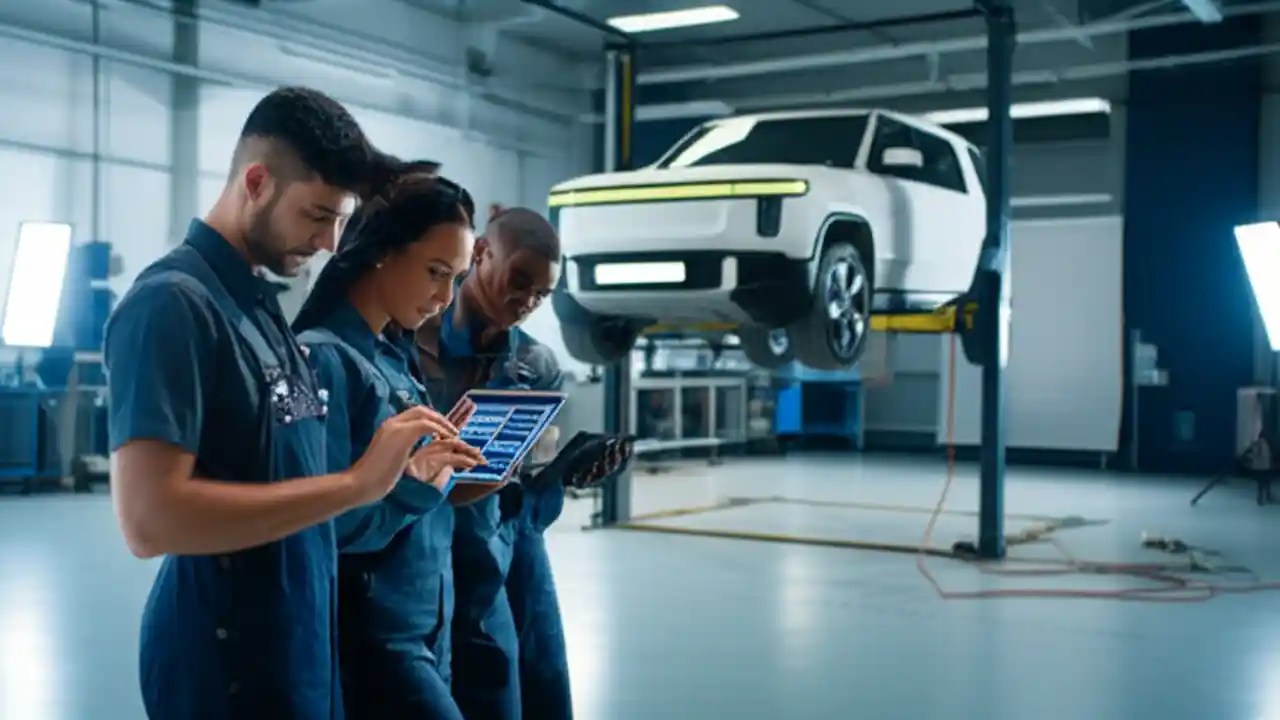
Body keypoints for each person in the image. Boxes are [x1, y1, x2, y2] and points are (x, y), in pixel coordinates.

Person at [104, 87, 452, 720]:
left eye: (340, 221)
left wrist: (400, 480)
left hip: (294, 656)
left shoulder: (261, 311)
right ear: (257, 182)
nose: (328, 243)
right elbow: (148, 520)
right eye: (317, 215)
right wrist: (354, 484)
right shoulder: (172, 306)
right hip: (224, 672)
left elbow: (287, 480)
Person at [292, 164, 486, 719]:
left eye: (457, 279)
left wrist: (440, 468)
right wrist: (411, 486)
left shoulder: (391, 357)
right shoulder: (325, 358)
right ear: (382, 250)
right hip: (375, 641)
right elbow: (317, 524)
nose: (445, 298)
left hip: (424, 624)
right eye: (435, 271)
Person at [416, 206, 623, 720]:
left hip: (496, 551)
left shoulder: (535, 366)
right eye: (519, 281)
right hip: (416, 559)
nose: (527, 301)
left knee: (525, 683)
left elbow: (520, 489)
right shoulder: (410, 344)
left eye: (541, 294)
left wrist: (559, 473)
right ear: (482, 254)